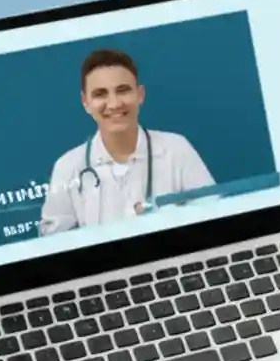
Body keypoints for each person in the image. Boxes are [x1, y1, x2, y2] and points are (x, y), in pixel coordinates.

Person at [39, 48, 214, 235]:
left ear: (140, 95)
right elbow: (54, 240)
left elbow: (212, 213)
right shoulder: (67, 167)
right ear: (85, 102)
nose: (114, 104)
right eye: (100, 94)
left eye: (123, 91)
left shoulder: (176, 149)